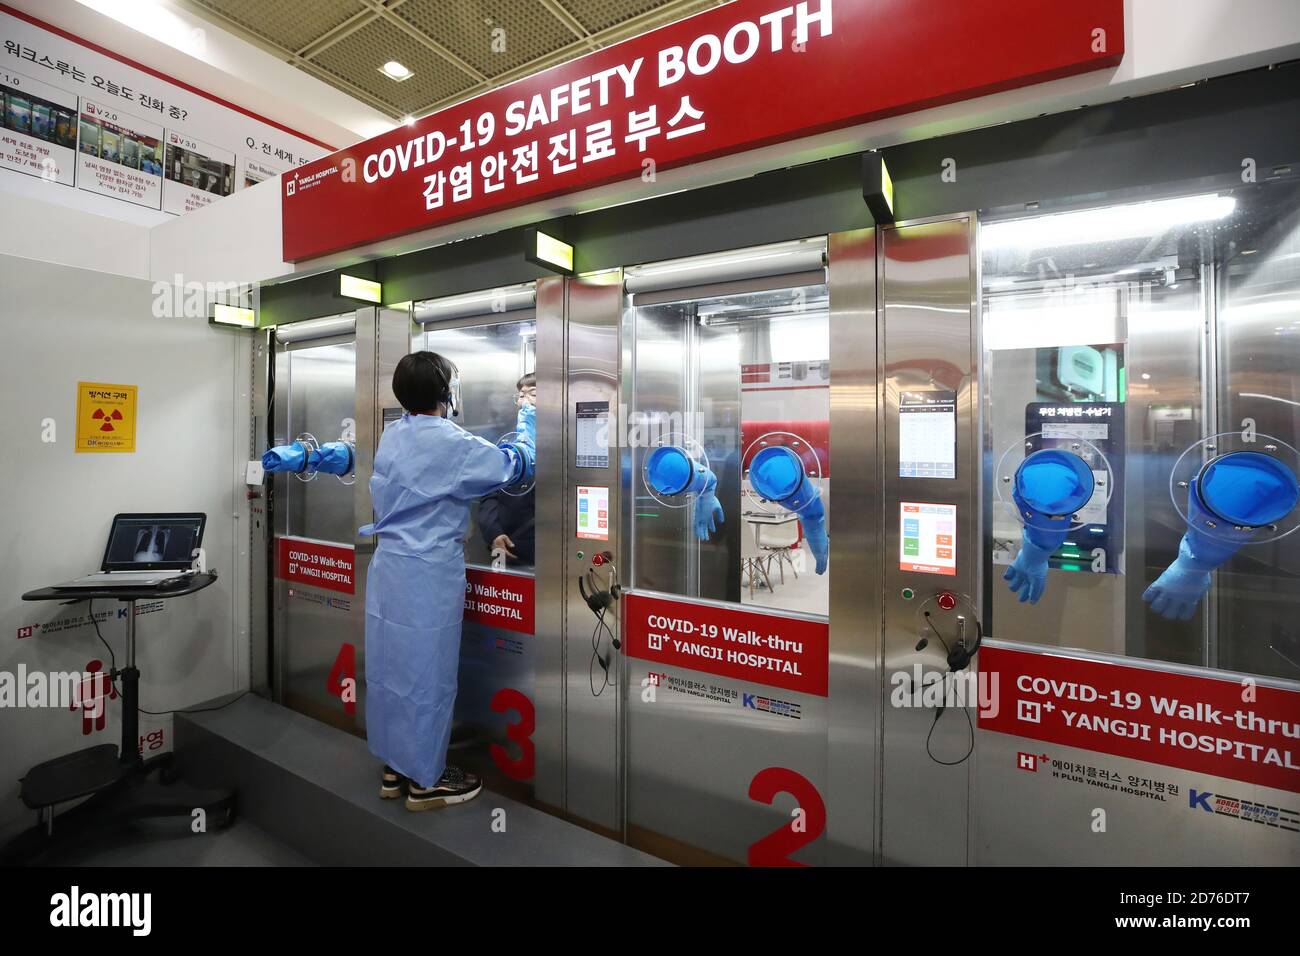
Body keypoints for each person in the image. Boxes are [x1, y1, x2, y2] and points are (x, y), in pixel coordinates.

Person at [359, 351, 535, 810]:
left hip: (389, 570)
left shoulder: (393, 434)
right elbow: (509, 467)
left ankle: (396, 768)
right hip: (427, 575)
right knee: (427, 677)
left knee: (389, 668)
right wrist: (530, 433)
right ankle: (426, 781)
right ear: (446, 393)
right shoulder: (452, 442)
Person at [478, 373, 537, 566]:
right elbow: (488, 493)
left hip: (546, 551)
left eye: (533, 394)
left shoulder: (564, 446)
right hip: (504, 546)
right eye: (521, 395)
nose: (525, 402)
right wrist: (493, 532)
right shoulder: (507, 445)